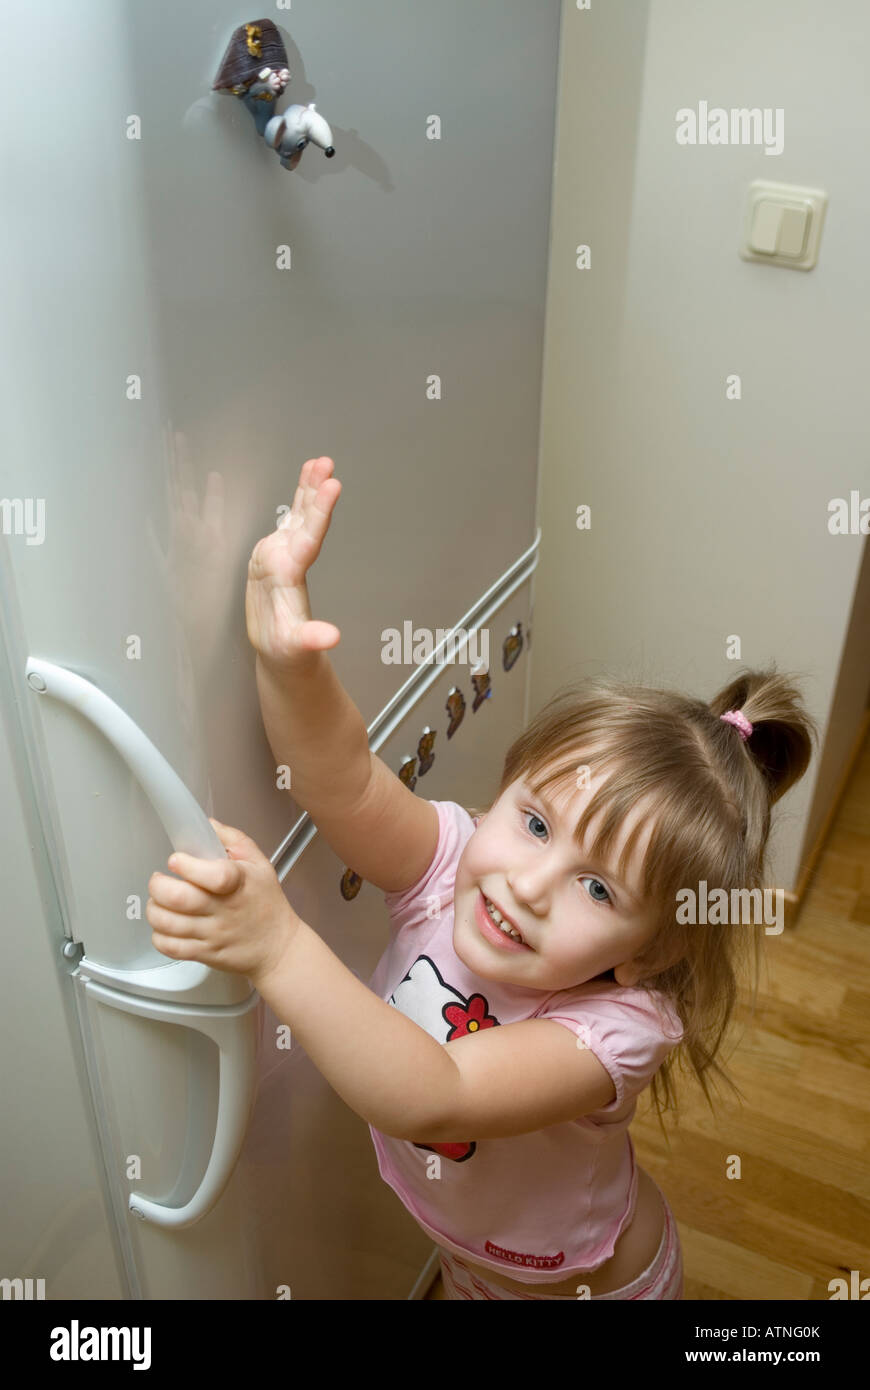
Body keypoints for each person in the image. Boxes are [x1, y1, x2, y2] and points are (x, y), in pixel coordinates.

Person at [145, 456, 817, 1300]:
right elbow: (342, 782)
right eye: (535, 824)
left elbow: (437, 1094)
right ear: (504, 789)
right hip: (469, 1256)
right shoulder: (450, 863)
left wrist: (277, 947)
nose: (528, 885)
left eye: (598, 889)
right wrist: (287, 660)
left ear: (649, 952)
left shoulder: (614, 1033)